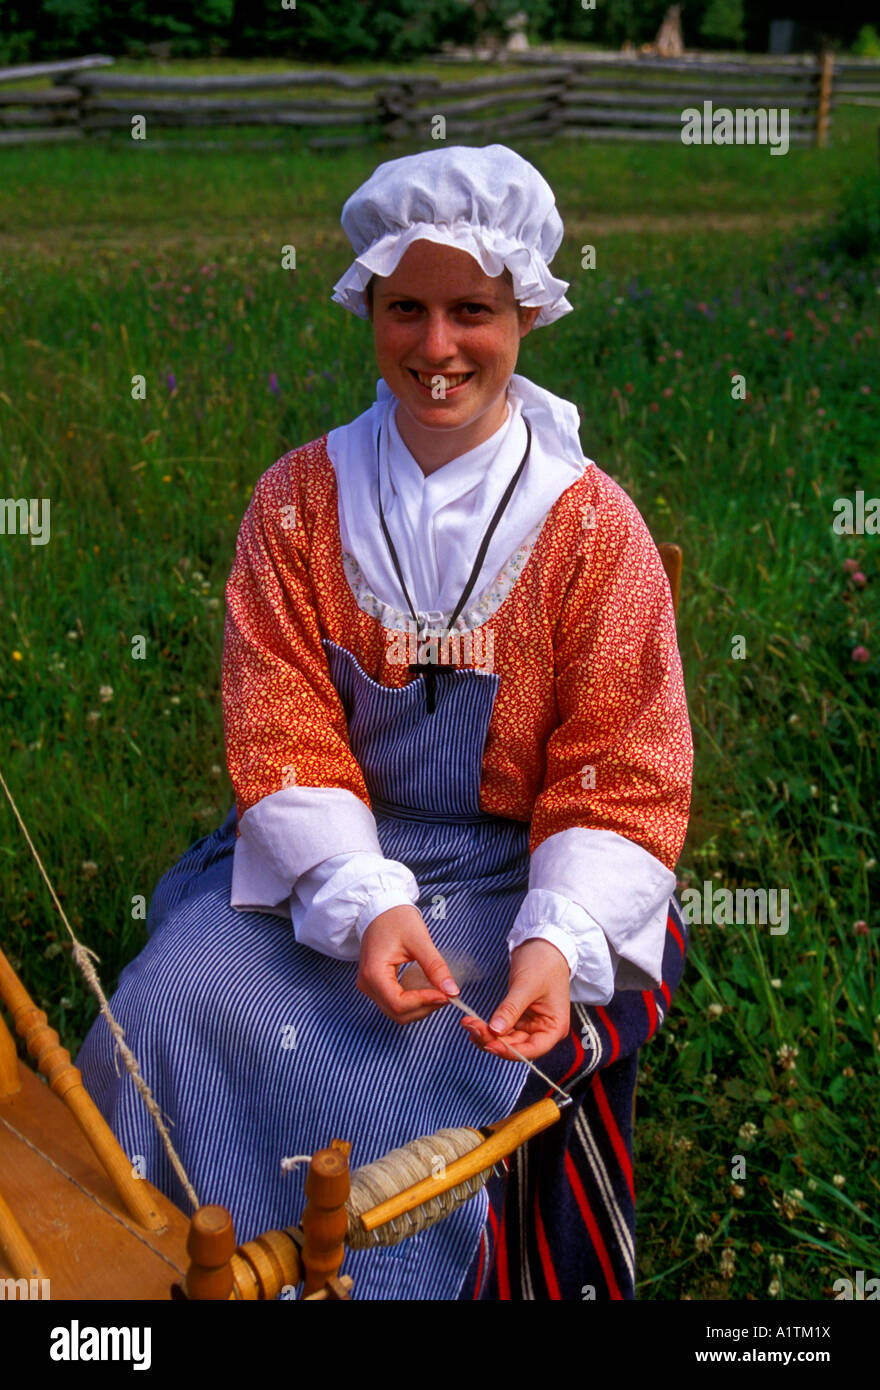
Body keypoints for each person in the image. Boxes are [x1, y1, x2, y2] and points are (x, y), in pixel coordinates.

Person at [77, 144, 693, 1301]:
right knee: (165, 1004)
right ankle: (149, 1275)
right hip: (330, 847)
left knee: (426, 1058)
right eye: (404, 308)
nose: (436, 346)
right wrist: (362, 903)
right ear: (367, 303)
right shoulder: (298, 500)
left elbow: (621, 768)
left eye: (473, 311)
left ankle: (362, 1276)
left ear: (528, 313)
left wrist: (557, 940)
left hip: (520, 865)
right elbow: (282, 724)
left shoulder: (591, 530)